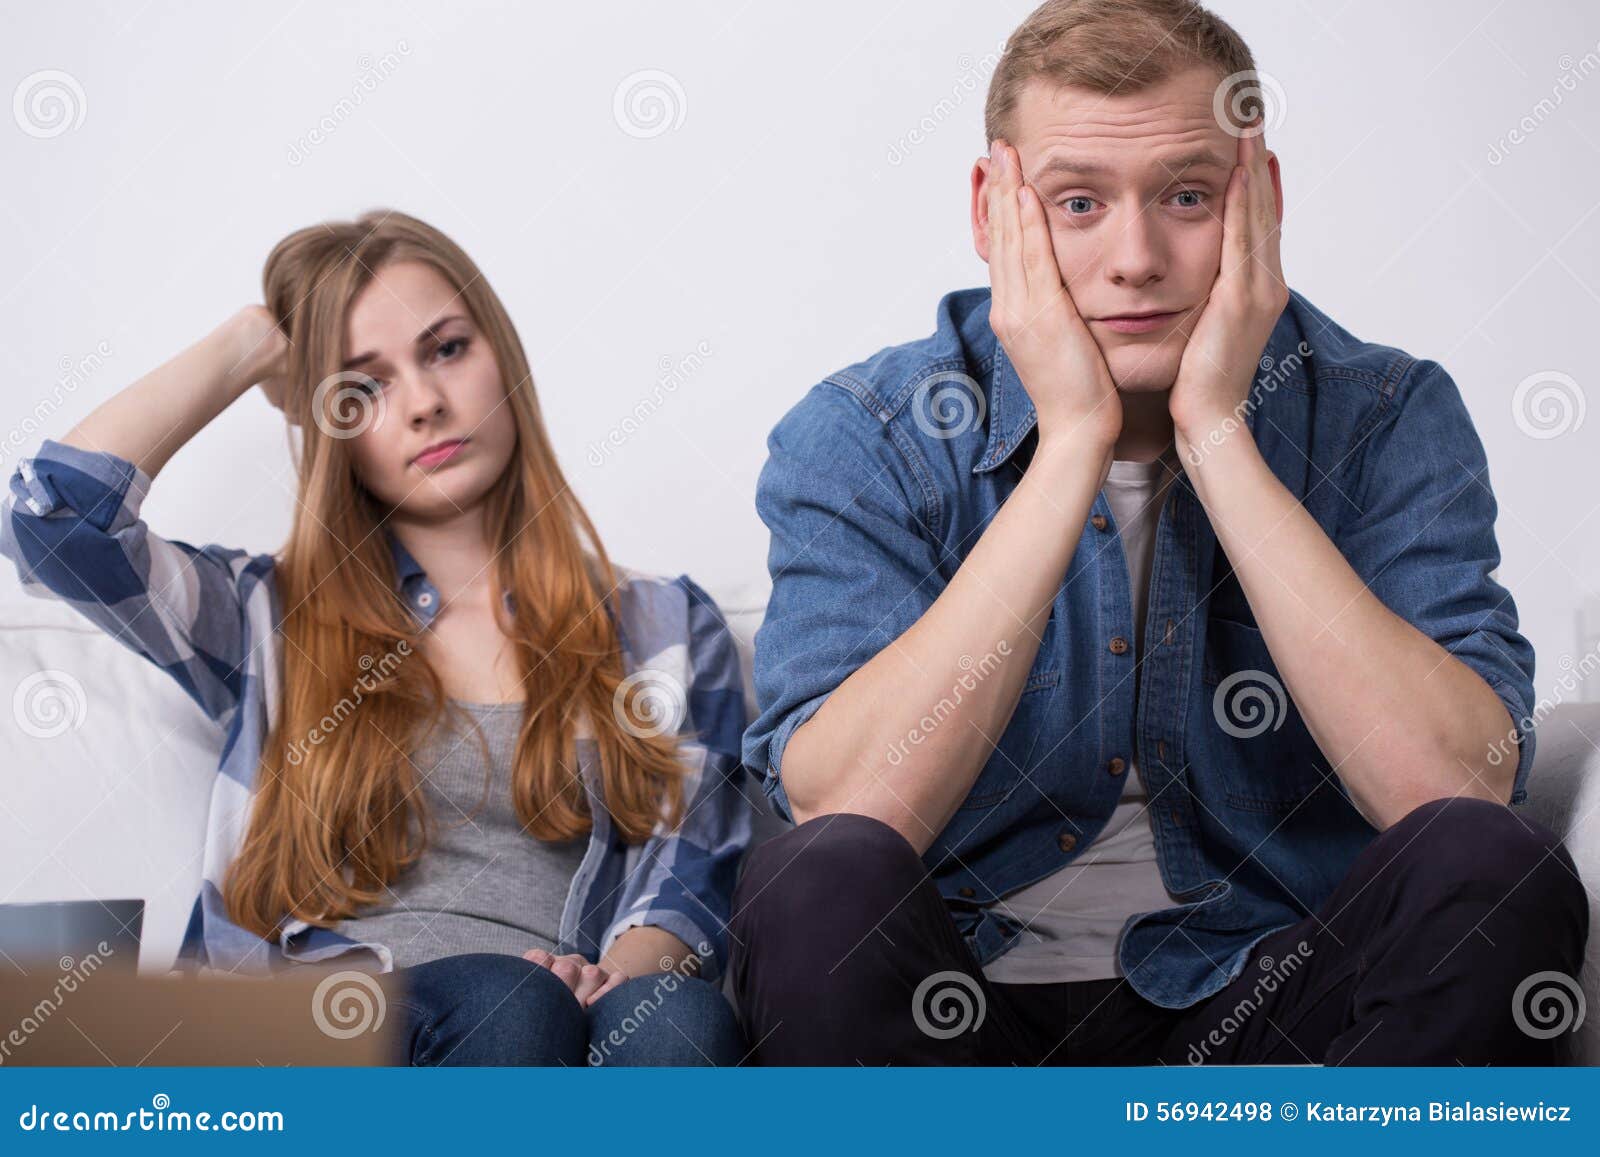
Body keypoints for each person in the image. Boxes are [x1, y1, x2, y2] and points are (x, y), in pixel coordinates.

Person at [732, 0, 1587, 1065]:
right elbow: (848, 810)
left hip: (1273, 1014)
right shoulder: (867, 433)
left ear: (1259, 199)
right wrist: (1071, 441)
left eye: (1185, 195)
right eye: (1077, 201)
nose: (1134, 258)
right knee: (813, 880)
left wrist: (1219, 436)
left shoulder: (1383, 415)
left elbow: (1452, 792)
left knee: (1486, 862)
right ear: (994, 210)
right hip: (961, 1028)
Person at [1, 210, 750, 1066]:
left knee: (676, 1020)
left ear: (503, 355)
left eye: (447, 349)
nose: (427, 404)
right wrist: (251, 342)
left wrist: (609, 976)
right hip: (325, 1040)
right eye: (363, 386)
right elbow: (57, 522)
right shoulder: (265, 616)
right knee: (510, 1002)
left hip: (558, 1022)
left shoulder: (665, 626)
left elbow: (687, 868)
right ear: (329, 426)